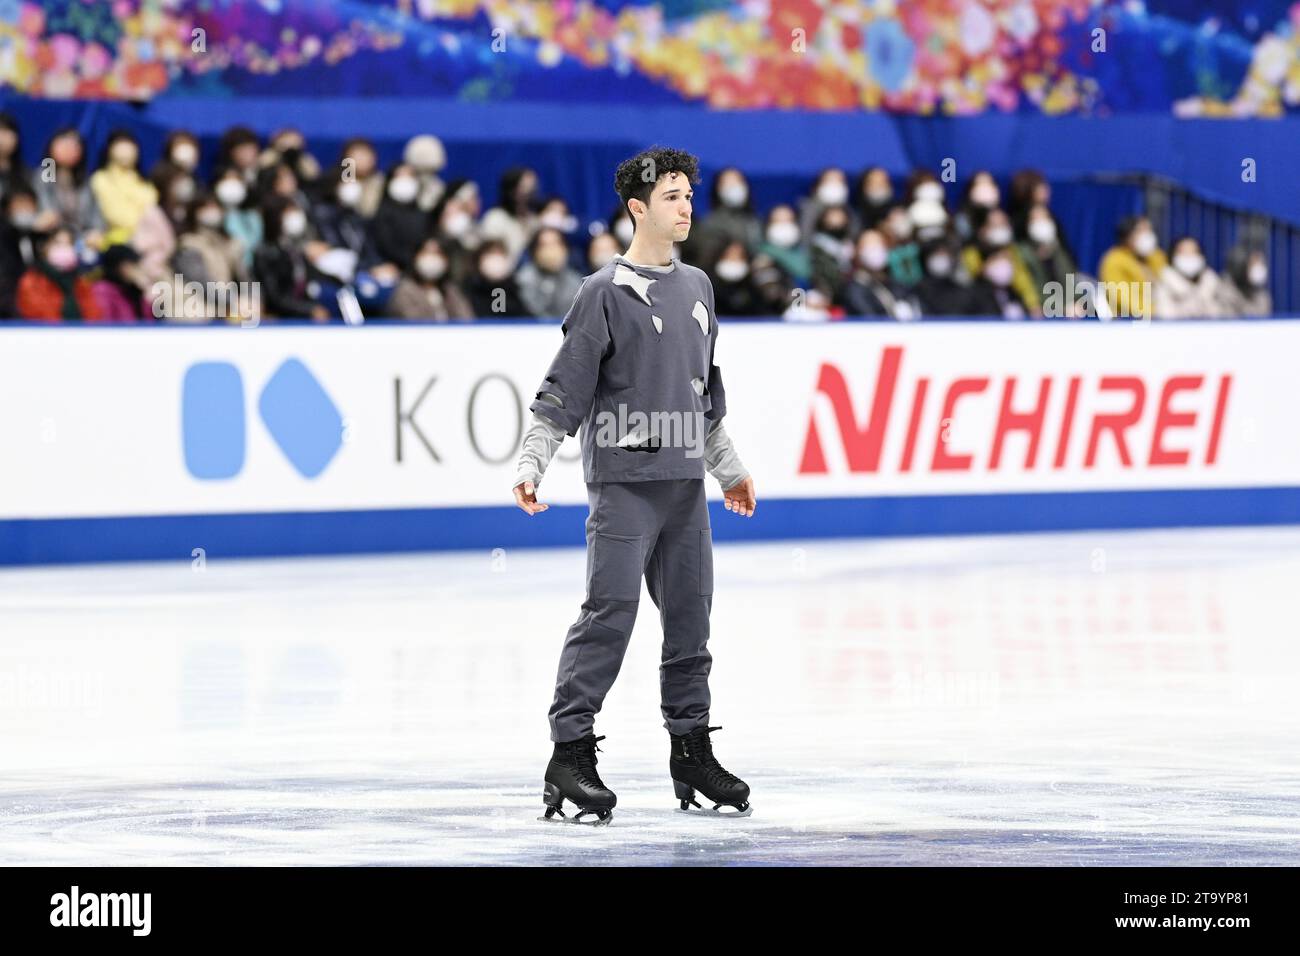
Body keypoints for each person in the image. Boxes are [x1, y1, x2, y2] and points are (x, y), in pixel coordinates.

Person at [511, 145, 753, 824]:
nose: (686, 206)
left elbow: (702, 396)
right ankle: (570, 752)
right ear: (637, 208)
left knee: (690, 620)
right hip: (623, 485)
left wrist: (728, 470)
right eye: (673, 196)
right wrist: (532, 462)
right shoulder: (601, 292)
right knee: (609, 613)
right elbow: (562, 392)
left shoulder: (700, 287)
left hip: (685, 489)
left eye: (688, 195)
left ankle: (691, 749)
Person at [16, 227, 101, 321]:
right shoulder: (32, 280)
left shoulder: (80, 281)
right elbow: (35, 314)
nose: (64, 248)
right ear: (45, 247)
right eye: (58, 243)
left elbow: (93, 313)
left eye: (69, 244)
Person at [839, 228, 920, 320]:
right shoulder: (854, 288)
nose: (876, 250)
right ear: (857, 251)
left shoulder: (895, 283)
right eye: (869, 246)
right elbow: (869, 318)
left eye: (879, 245)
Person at [387, 236, 473, 320]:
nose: (431, 259)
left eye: (437, 253)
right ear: (415, 258)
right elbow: (413, 321)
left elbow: (466, 318)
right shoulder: (404, 291)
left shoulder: (451, 290)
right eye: (426, 252)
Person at [1098, 216, 1167, 319]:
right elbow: (1121, 297)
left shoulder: (1157, 256)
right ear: (1127, 236)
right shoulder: (1114, 260)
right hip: (1127, 320)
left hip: (1163, 317)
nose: (1147, 235)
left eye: (1149, 230)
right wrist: (1154, 312)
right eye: (1141, 231)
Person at [516, 226, 582, 318]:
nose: (551, 250)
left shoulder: (576, 283)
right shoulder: (521, 280)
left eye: (556, 244)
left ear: (565, 249)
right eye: (545, 245)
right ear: (535, 252)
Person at [1155, 236, 1225, 319]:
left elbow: (1220, 316)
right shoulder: (1164, 281)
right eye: (1183, 252)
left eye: (1194, 251)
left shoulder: (1211, 281)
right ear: (1172, 256)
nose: (1189, 256)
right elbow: (1164, 315)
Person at [1218, 245, 1271, 317]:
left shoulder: (1262, 297)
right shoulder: (1224, 294)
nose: (1258, 268)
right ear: (1241, 267)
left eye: (1260, 263)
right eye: (1253, 264)